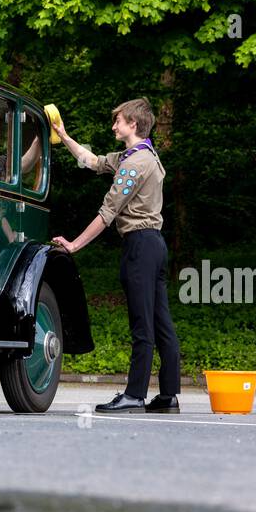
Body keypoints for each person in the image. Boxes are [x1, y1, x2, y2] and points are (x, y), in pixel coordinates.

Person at [51, 98, 181, 413]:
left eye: (118, 121)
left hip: (140, 246)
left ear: (133, 125)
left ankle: (135, 394)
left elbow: (108, 213)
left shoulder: (135, 165)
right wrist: (64, 136)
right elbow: (93, 161)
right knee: (161, 321)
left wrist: (74, 245)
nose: (113, 126)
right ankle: (168, 395)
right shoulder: (137, 155)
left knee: (142, 324)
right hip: (153, 244)